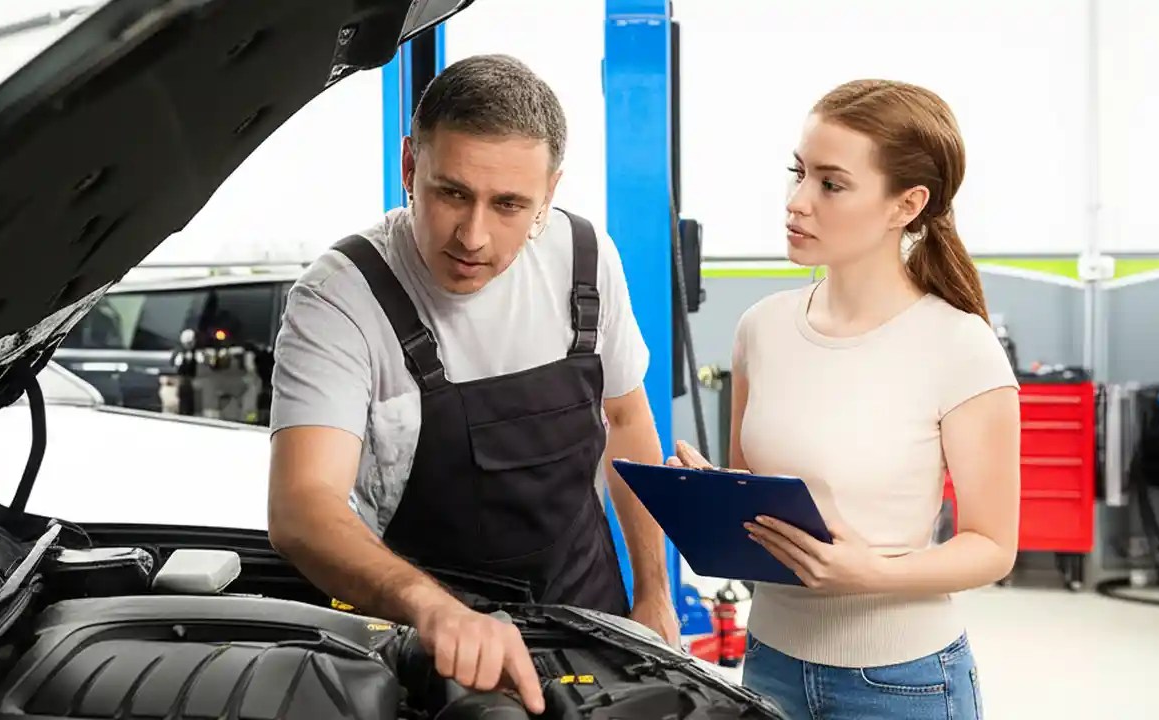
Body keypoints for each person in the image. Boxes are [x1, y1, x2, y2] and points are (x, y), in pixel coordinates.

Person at [266, 54, 678, 716]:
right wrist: (435, 610)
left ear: (549, 194)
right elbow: (301, 507)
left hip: (586, 625)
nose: (473, 236)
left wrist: (654, 592)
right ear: (409, 167)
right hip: (426, 654)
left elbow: (627, 421)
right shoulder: (342, 295)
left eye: (510, 204)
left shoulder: (585, 257)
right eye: (451, 192)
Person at [669, 79, 1020, 719]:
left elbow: (993, 546)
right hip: (768, 661)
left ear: (905, 204)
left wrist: (871, 574)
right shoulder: (762, 329)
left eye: (831, 184)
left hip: (903, 683)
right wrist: (710, 499)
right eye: (797, 173)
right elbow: (763, 500)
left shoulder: (959, 346)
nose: (798, 201)